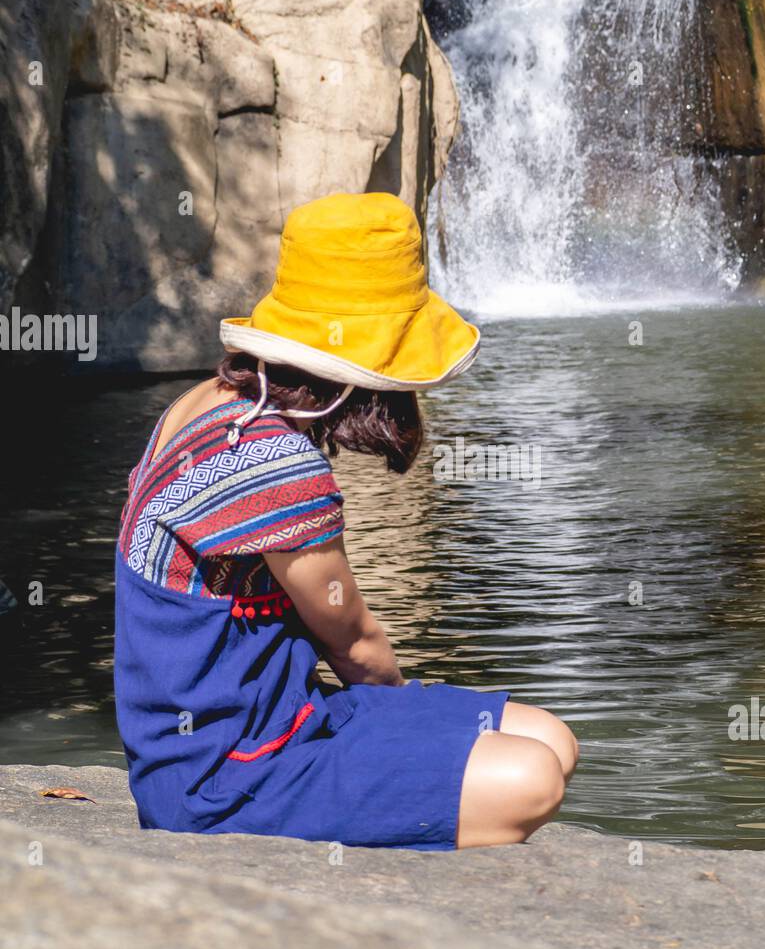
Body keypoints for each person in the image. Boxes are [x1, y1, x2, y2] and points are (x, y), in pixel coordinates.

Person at [114, 191, 577, 849]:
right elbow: (354, 641)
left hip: (285, 718)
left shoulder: (209, 402)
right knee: (531, 776)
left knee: (550, 738)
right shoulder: (272, 462)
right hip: (222, 779)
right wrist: (403, 728)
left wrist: (406, 731)